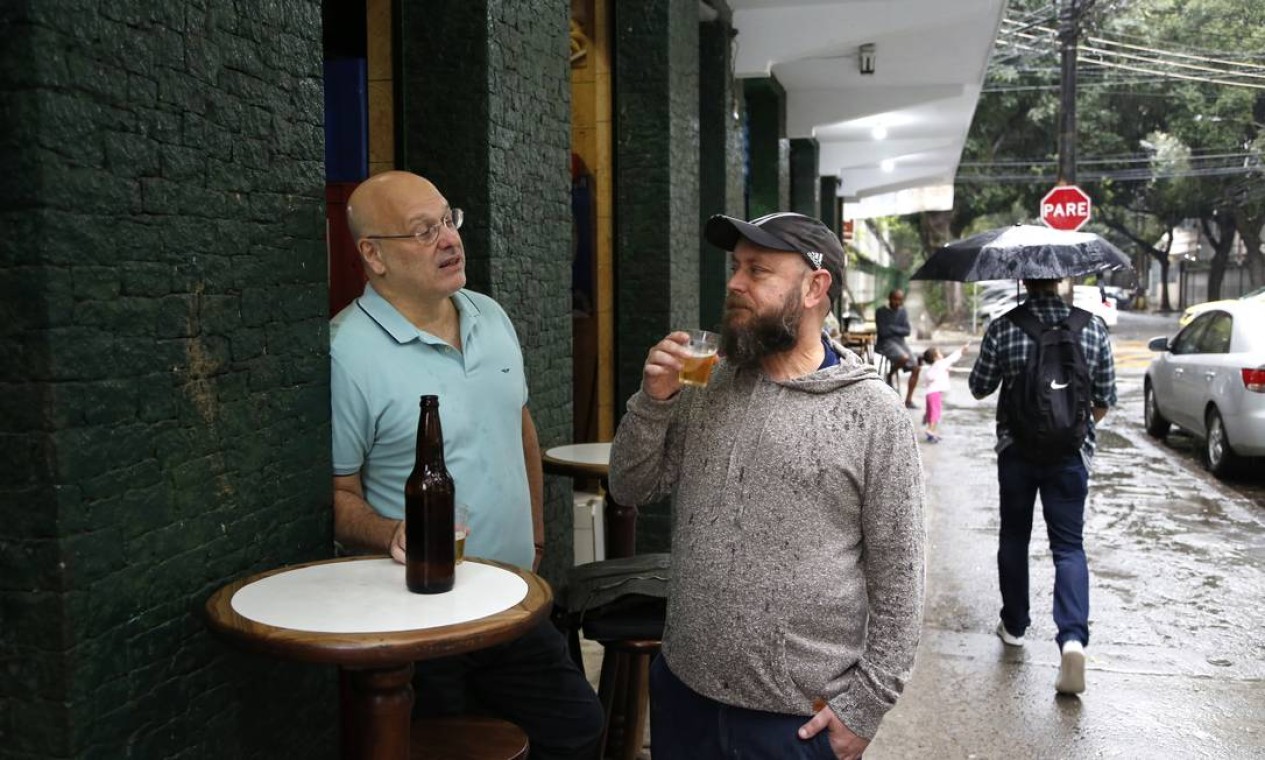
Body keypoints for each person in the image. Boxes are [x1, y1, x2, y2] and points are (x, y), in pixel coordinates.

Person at [608, 211, 926, 760]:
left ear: (814, 287)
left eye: (758, 271)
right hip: (683, 693)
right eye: (736, 268)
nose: (734, 283)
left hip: (794, 723)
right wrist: (653, 402)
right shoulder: (708, 380)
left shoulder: (872, 414)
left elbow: (900, 579)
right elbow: (629, 488)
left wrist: (867, 705)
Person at [329, 171, 604, 759]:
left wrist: (534, 533)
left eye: (449, 220)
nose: (449, 239)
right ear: (372, 255)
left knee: (577, 727)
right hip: (416, 618)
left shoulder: (489, 315)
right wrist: (393, 533)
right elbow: (336, 493)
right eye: (423, 231)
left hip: (509, 598)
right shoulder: (346, 353)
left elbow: (519, 423)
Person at [967, 278, 1116, 696]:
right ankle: (1072, 638)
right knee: (1069, 547)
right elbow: (1104, 397)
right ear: (1060, 280)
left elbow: (978, 387)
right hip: (1070, 457)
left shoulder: (1004, 326)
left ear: (1025, 281)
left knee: (1014, 537)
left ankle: (1014, 625)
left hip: (1017, 454)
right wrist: (1071, 429)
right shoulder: (1093, 327)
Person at [874, 289, 921, 409]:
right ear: (890, 299)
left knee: (916, 367)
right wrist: (898, 330)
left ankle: (909, 400)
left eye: (900, 300)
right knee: (904, 357)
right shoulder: (880, 312)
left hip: (900, 342)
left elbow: (907, 331)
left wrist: (892, 328)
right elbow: (883, 332)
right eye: (895, 299)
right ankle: (890, 375)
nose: (897, 302)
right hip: (885, 343)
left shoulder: (903, 312)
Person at [919, 342, 969, 443]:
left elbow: (929, 378)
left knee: (931, 413)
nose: (942, 355)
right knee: (935, 414)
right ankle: (930, 430)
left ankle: (931, 430)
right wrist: (962, 350)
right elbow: (952, 358)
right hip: (935, 394)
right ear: (936, 358)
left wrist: (944, 370)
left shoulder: (932, 368)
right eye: (939, 353)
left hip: (929, 394)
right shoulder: (940, 364)